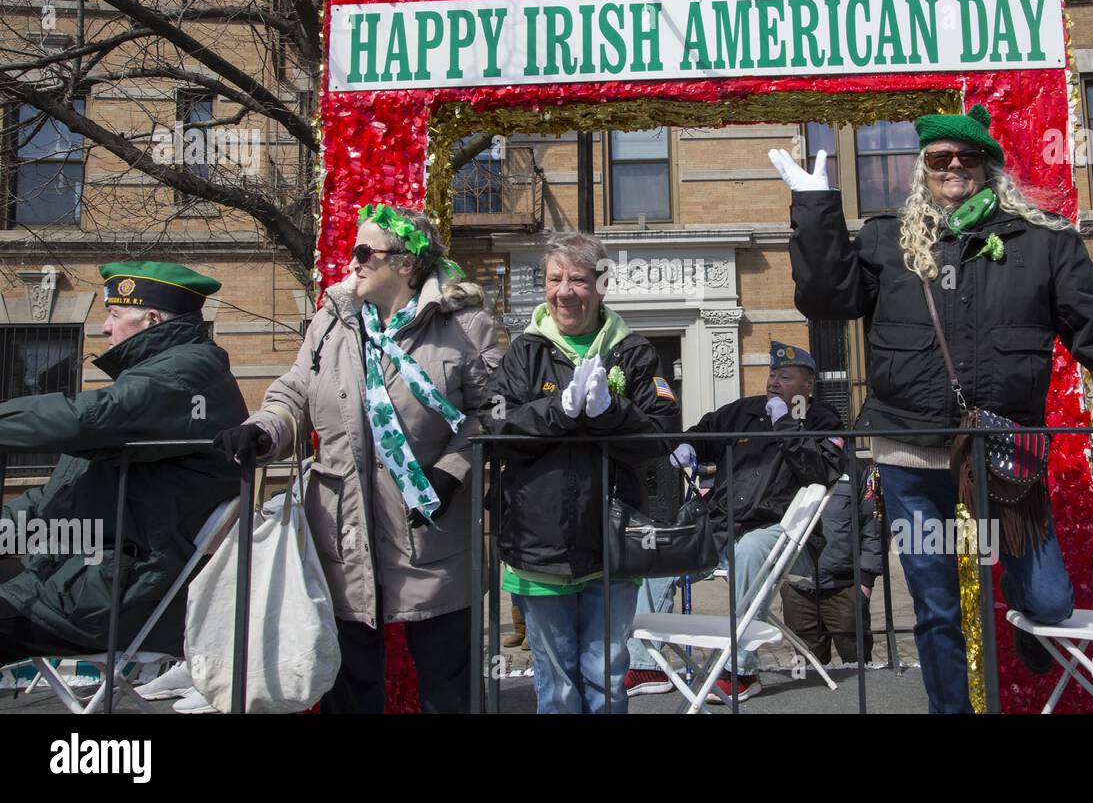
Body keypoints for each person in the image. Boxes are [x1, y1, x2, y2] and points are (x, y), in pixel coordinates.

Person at [774, 104, 1093, 713]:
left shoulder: (1042, 241)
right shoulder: (888, 238)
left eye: (968, 157)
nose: (954, 167)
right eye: (940, 159)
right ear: (924, 169)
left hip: (1003, 446)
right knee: (935, 603)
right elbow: (829, 299)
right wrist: (816, 211)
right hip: (911, 448)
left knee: (1047, 599)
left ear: (989, 166)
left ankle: (1024, 611)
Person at [214, 203, 501, 714]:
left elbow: (490, 413)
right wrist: (262, 432)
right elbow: (294, 394)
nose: (355, 260)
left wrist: (453, 470)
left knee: (448, 694)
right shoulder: (333, 320)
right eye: (354, 250)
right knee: (350, 692)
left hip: (431, 542)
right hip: (343, 538)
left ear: (406, 264)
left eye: (366, 251)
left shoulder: (463, 326)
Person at [0, 262, 245, 671]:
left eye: (114, 315)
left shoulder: (185, 374)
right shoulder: (156, 377)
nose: (103, 328)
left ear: (151, 319)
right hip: (82, 574)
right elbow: (54, 500)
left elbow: (85, 418)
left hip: (113, 595)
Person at [483, 231, 679, 714]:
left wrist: (613, 412)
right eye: (554, 279)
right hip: (538, 544)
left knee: (607, 677)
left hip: (614, 544)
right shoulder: (523, 353)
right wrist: (559, 410)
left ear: (602, 283)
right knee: (557, 687)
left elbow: (663, 436)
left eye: (577, 279)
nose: (564, 291)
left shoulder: (635, 353)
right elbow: (493, 427)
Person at [624, 341, 846, 704]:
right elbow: (703, 432)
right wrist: (688, 448)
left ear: (809, 385)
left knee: (749, 551)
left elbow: (818, 471)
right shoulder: (743, 411)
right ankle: (646, 664)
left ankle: (740, 670)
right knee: (659, 551)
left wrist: (784, 424)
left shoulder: (824, 420)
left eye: (786, 376)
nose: (774, 382)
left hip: (781, 534)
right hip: (722, 526)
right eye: (773, 374)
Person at [780, 464, 883, 666]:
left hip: (846, 589)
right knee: (808, 675)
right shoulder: (784, 460)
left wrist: (866, 579)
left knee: (858, 669)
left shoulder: (858, 468)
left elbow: (873, 526)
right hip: (797, 588)